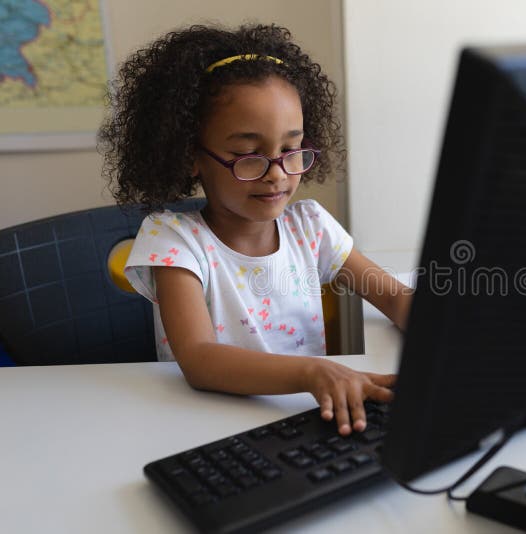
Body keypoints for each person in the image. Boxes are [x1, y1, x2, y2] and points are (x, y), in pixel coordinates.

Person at [98, 24, 412, 436]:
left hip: (300, 421)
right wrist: (314, 373)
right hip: (199, 429)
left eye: (291, 149)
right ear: (191, 156)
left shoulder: (312, 228)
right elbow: (199, 358)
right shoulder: (174, 242)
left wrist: (455, 333)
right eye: (248, 154)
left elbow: (392, 296)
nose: (277, 173)